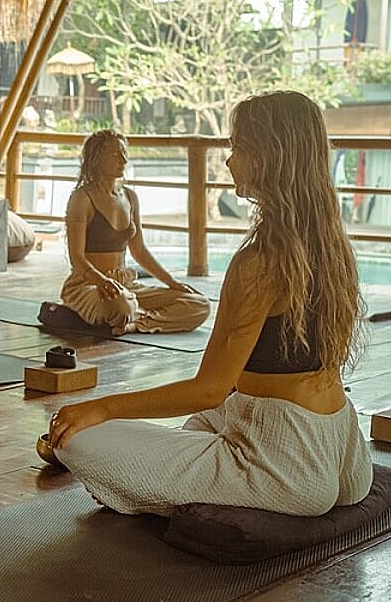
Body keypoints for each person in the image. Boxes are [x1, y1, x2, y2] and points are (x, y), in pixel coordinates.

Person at [46, 92, 373, 518]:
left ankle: (167, 482)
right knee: (210, 419)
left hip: (286, 466)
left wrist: (100, 407)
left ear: (267, 156)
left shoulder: (258, 260)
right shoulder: (334, 247)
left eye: (237, 147)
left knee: (79, 439)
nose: (229, 160)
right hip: (344, 452)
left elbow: (209, 389)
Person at [58, 129, 210, 334]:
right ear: (96, 159)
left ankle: (137, 322)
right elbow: (76, 257)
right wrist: (101, 281)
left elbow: (139, 250)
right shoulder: (81, 198)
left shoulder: (130, 197)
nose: (124, 159)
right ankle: (131, 316)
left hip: (125, 284)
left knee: (199, 304)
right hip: (89, 285)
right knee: (122, 306)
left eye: (124, 153)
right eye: (115, 155)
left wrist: (172, 283)